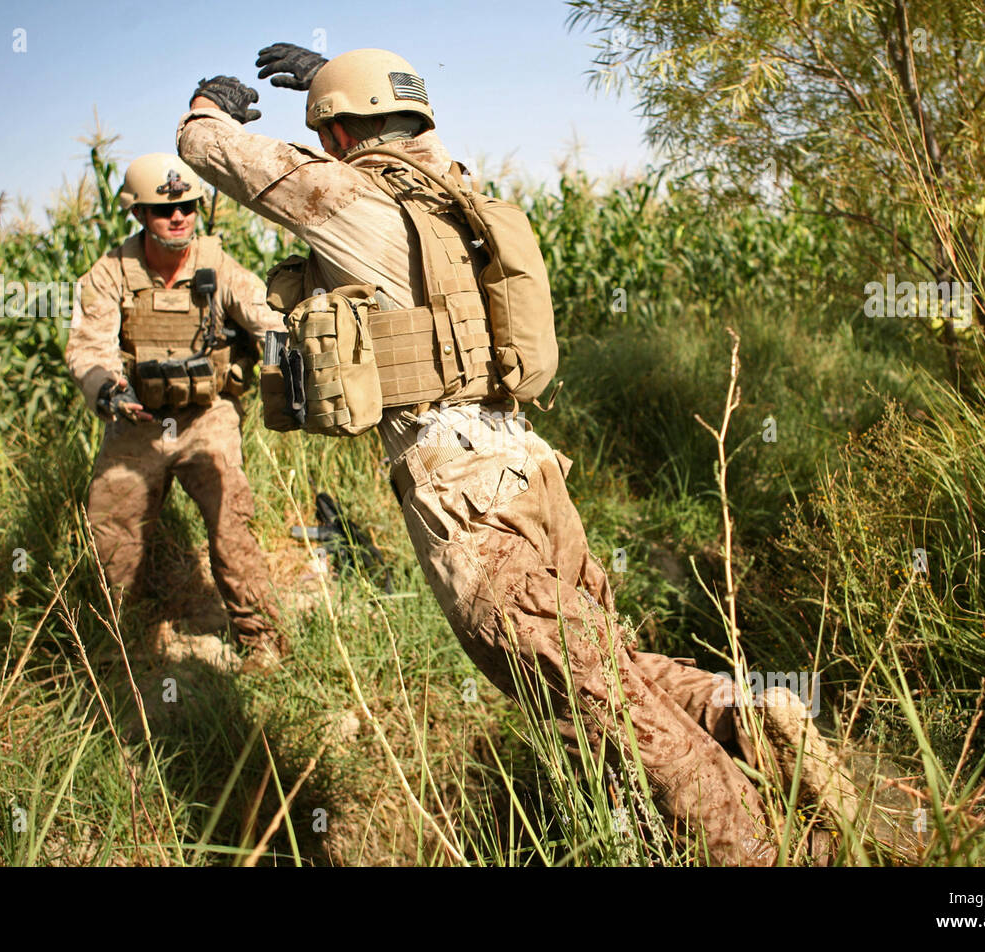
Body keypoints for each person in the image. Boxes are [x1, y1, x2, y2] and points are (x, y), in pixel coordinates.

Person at [178, 51, 852, 863]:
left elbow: (209, 152)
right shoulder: (453, 194)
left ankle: (759, 848)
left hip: (461, 496)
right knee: (612, 661)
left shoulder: (348, 197)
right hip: (531, 467)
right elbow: (397, 144)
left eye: (327, 131)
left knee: (592, 703)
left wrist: (208, 104)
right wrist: (341, 76)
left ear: (343, 132)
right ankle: (741, 713)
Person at [65, 153, 287, 672]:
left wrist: (282, 352)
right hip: (138, 421)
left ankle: (263, 642)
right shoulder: (109, 274)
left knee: (232, 524)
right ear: (139, 214)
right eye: (165, 211)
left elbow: (261, 315)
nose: (179, 218)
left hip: (207, 417)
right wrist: (106, 388)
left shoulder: (217, 263)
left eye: (187, 206)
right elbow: (88, 348)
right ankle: (120, 642)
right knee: (112, 529)